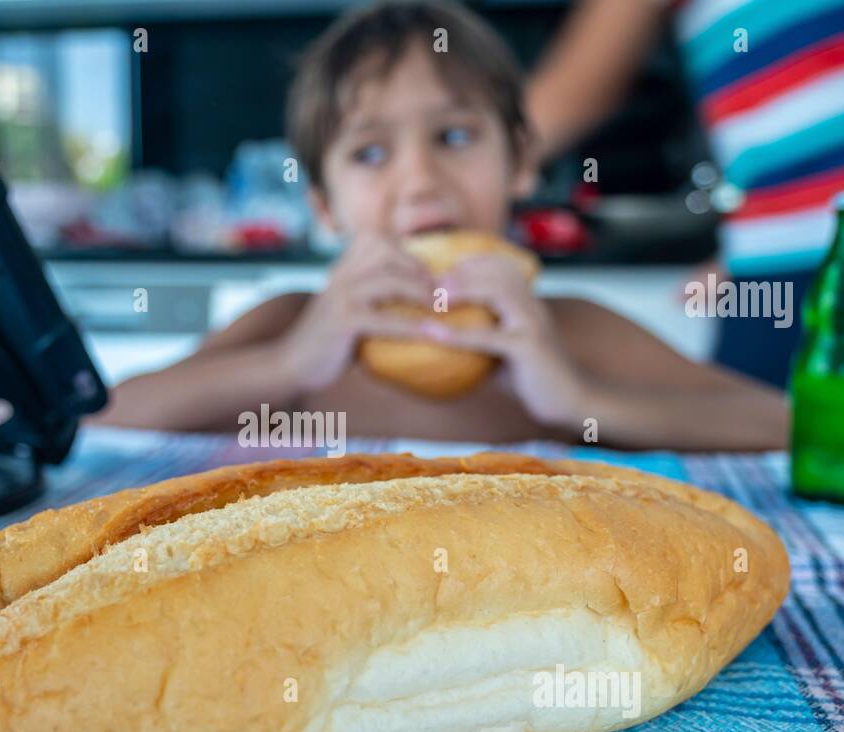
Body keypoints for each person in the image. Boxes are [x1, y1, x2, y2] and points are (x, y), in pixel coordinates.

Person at [95, 0, 787, 450]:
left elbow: (785, 426)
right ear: (324, 206)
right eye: (370, 153)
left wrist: (579, 400)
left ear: (520, 163)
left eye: (454, 137)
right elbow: (101, 417)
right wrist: (289, 365)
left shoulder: (569, 331)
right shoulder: (291, 325)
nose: (421, 179)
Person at [526, 0, 844, 448]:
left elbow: (571, 95)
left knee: (801, 466)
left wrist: (483, 163)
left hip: (808, 265)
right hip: (808, 255)